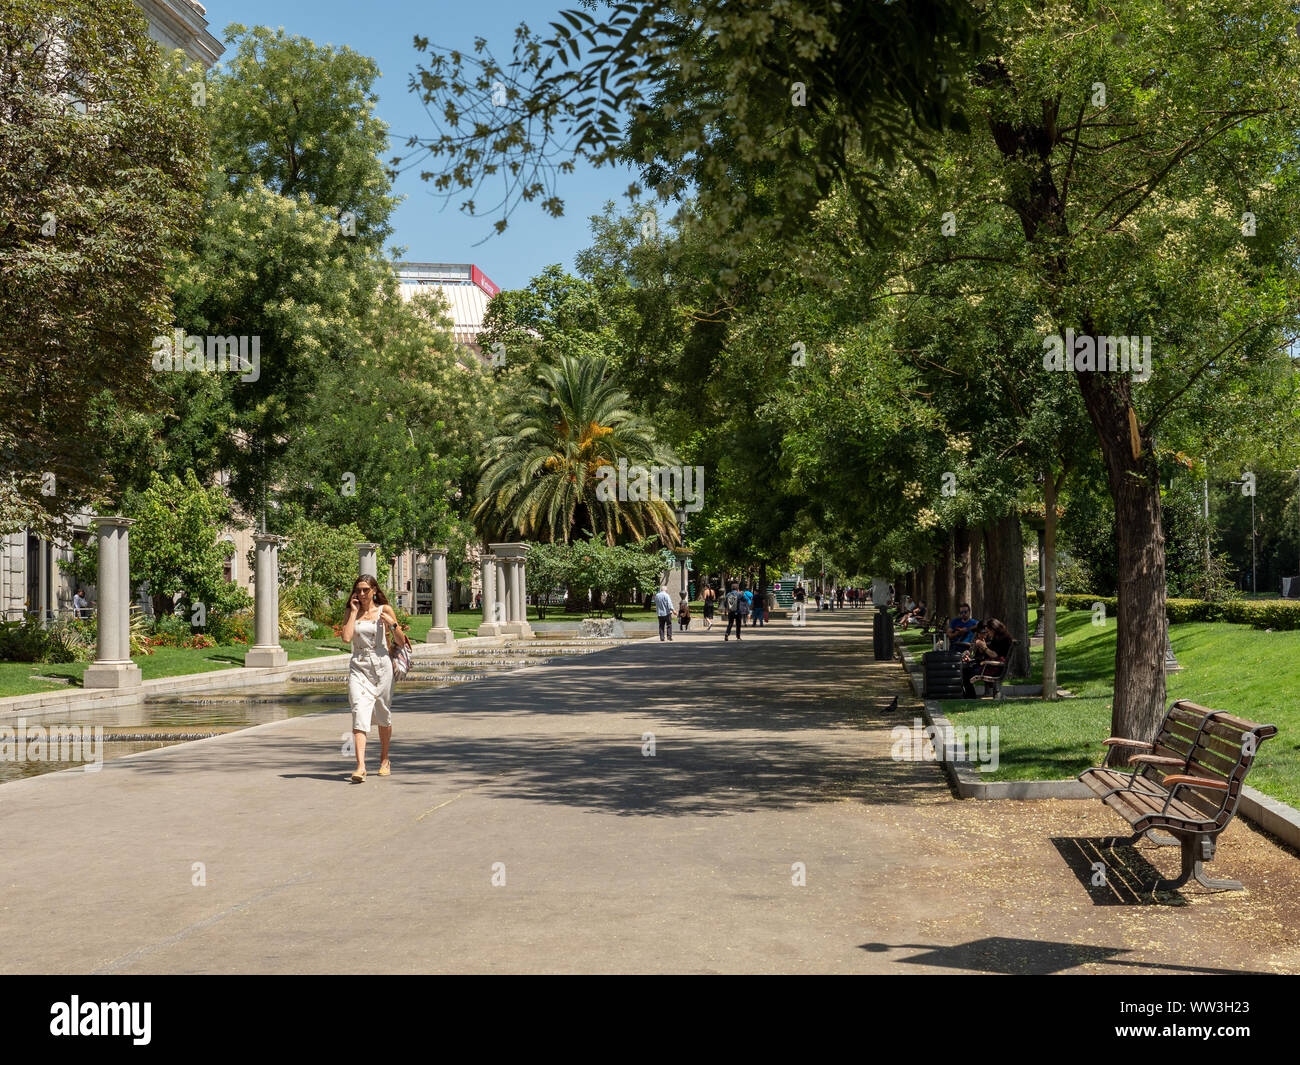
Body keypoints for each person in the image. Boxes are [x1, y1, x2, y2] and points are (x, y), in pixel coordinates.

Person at [340, 575, 409, 783]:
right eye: (358, 590)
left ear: (374, 591)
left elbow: (400, 641)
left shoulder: (384, 610)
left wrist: (392, 624)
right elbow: (346, 637)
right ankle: (360, 766)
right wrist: (353, 612)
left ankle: (384, 759)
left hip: (381, 666)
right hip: (358, 666)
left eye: (365, 590)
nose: (361, 594)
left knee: (382, 713)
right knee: (359, 710)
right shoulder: (352, 611)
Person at [962, 618, 1013, 697]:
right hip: (993, 665)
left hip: (995, 667)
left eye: (988, 631)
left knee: (965, 671)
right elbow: (989, 653)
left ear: (993, 629)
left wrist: (984, 647)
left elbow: (994, 655)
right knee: (965, 669)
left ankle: (970, 697)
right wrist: (981, 649)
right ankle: (969, 696)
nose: (988, 634)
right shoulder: (999, 637)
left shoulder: (1002, 639)